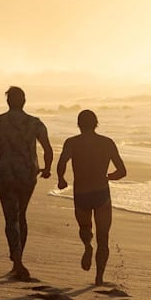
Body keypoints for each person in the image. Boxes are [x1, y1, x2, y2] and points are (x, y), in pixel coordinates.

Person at [0, 85, 53, 281]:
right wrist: (47, 168)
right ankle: (17, 260)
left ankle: (17, 260)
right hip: (28, 174)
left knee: (11, 218)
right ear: (24, 101)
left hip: (5, 174)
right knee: (22, 214)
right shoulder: (35, 123)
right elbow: (48, 148)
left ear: (7, 101)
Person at [56, 109, 127, 285]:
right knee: (103, 237)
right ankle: (99, 277)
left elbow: (62, 162)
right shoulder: (107, 143)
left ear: (79, 124)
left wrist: (61, 179)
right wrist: (107, 176)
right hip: (101, 192)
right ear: (96, 123)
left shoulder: (72, 142)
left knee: (85, 228)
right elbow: (122, 171)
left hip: (81, 193)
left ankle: (87, 246)